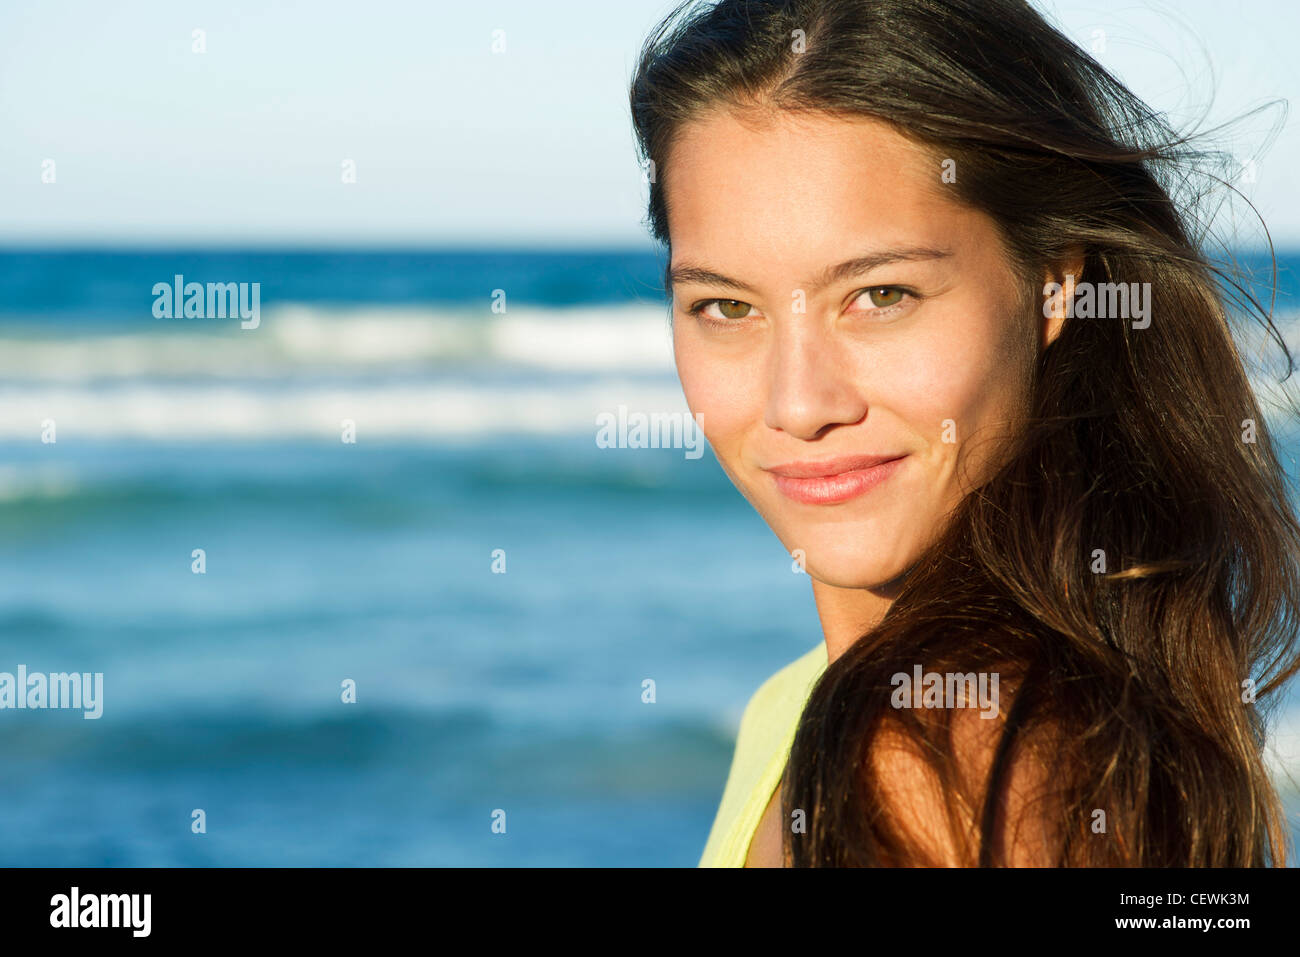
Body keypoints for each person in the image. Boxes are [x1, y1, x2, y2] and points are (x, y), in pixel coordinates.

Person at [629, 0, 1300, 866]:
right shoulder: (793, 704)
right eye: (725, 306)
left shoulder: (948, 758)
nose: (798, 404)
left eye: (880, 296)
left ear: (1054, 285)